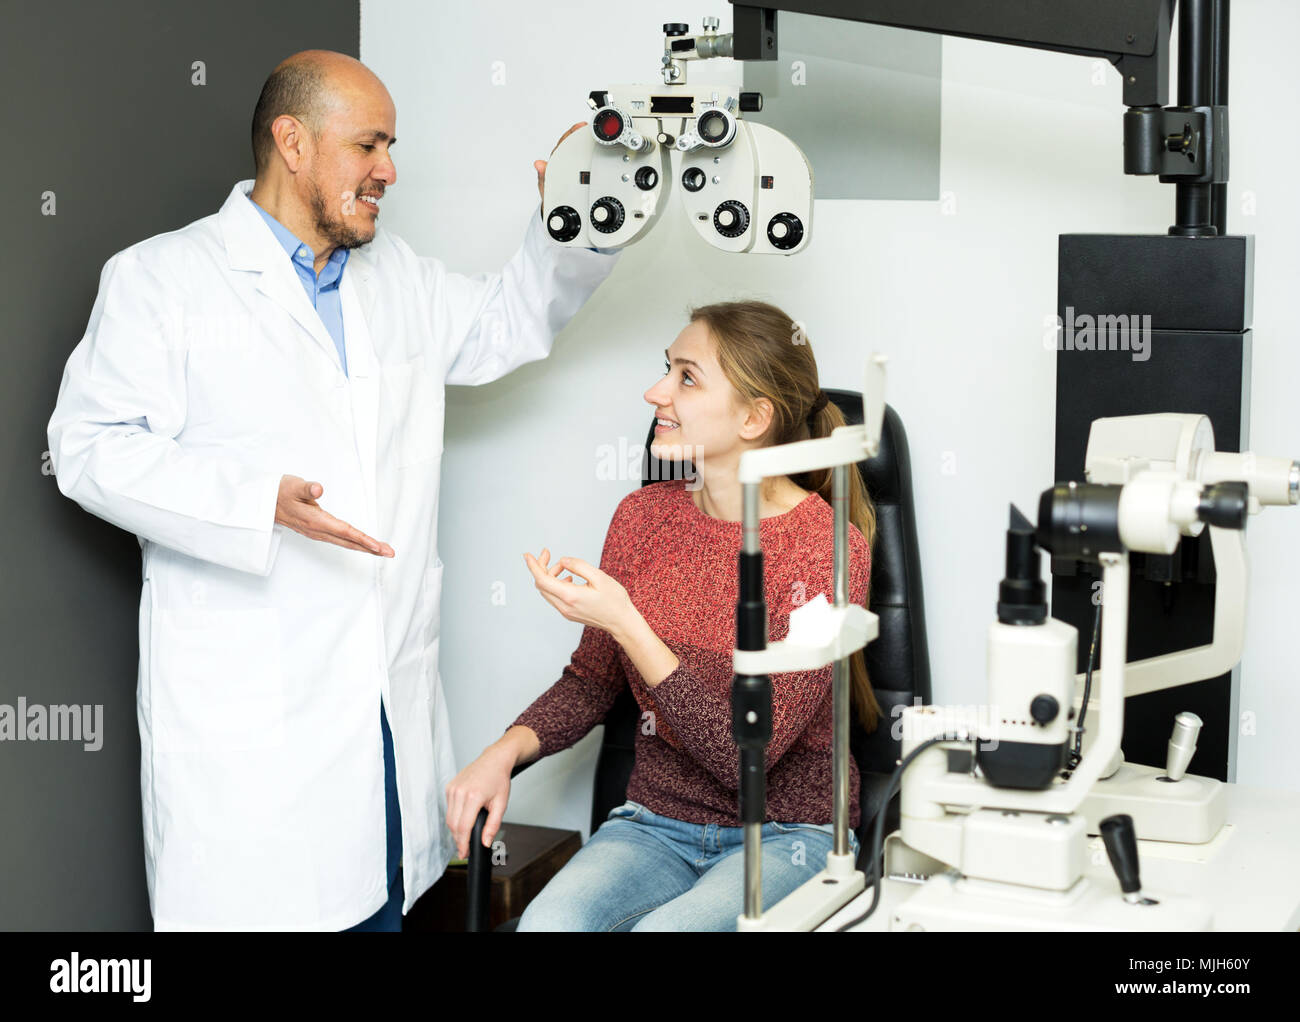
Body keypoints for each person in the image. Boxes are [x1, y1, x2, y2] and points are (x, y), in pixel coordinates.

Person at [45, 50, 618, 931]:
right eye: (369, 145)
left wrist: (579, 217)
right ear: (292, 141)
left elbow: (509, 322)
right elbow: (86, 447)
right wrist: (253, 500)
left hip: (386, 716)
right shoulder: (163, 279)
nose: (389, 170)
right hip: (253, 734)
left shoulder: (401, 282)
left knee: (380, 907)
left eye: (391, 146)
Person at [444, 300, 881, 931]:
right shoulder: (641, 518)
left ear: (755, 417)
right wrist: (502, 752)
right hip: (654, 826)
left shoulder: (826, 549)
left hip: (788, 835)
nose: (656, 393)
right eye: (665, 369)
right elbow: (591, 681)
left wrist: (627, 621)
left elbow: (744, 759)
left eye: (686, 377)